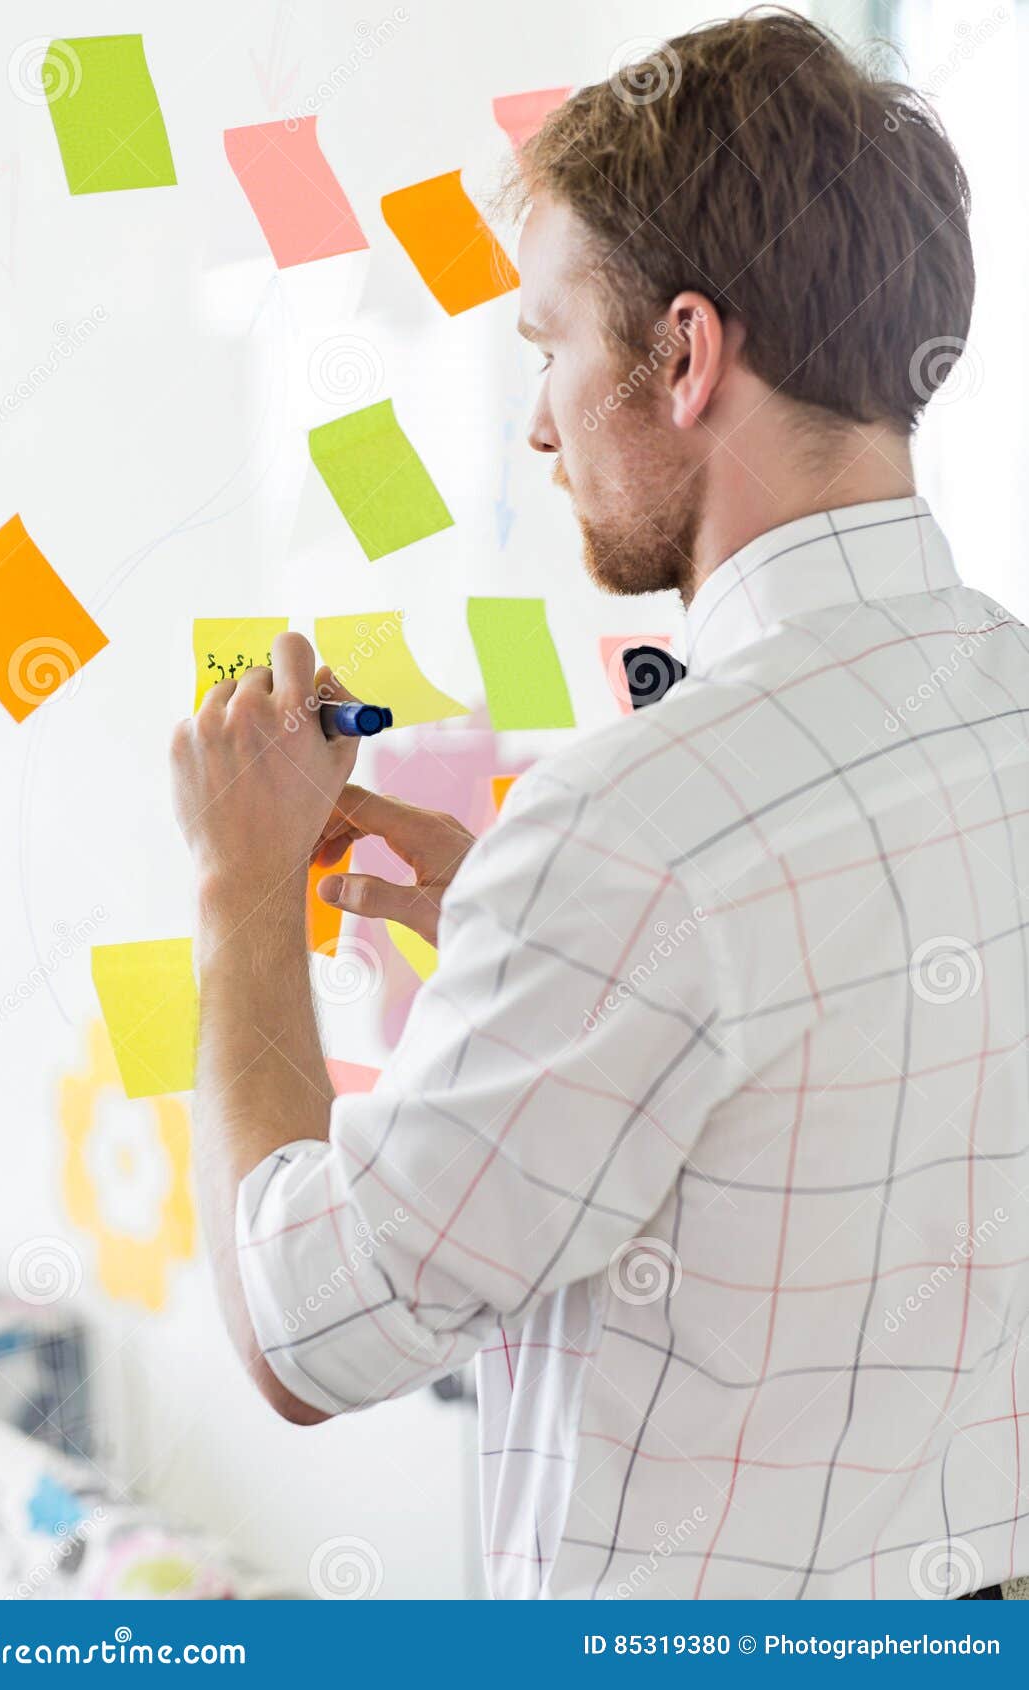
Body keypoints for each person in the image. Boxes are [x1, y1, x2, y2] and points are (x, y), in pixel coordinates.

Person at [170, 10, 1029, 1599]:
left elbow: (304, 1333)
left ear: (686, 354)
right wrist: (537, 930)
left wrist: (237, 889)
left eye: (550, 345)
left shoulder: (635, 825)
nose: (541, 423)